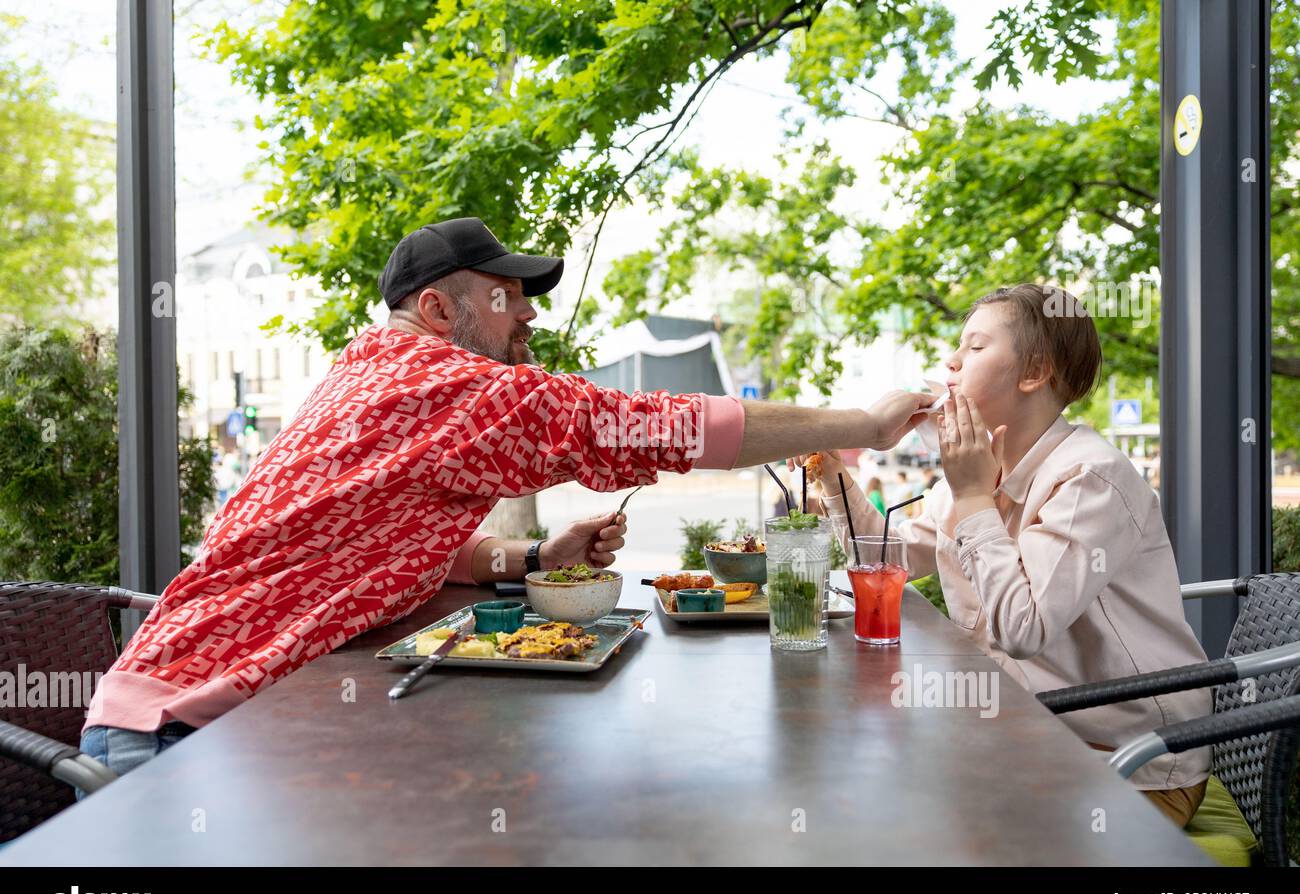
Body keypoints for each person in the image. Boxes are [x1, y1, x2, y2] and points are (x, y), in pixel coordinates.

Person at [80, 217, 939, 784]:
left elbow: (365, 533)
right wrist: (863, 419)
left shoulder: (359, 373)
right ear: (436, 309)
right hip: (180, 739)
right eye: (507, 294)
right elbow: (655, 425)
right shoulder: (451, 387)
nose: (527, 313)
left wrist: (535, 557)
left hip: (174, 706)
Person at [798, 284, 1212, 828]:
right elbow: (888, 554)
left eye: (974, 347)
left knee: (900, 807)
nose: (951, 359)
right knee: (858, 773)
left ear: (1033, 372)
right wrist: (832, 474)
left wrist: (973, 496)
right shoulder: (973, 469)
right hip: (1028, 729)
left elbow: (1023, 628)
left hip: (1128, 763)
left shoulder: (1090, 477)